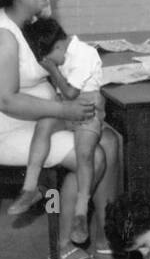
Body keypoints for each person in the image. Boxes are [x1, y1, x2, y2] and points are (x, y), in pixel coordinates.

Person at [0, 0, 119, 259]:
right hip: (5, 131)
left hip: (37, 122)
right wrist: (64, 107)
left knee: (109, 140)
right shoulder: (0, 35)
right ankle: (64, 246)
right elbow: (6, 101)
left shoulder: (27, 24)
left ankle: (104, 235)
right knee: (90, 156)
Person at [15, 19, 104, 247]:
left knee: (85, 153)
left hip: (86, 107)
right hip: (65, 105)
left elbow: (72, 92)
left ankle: (81, 212)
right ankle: (30, 187)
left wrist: (52, 69)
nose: (47, 63)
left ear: (58, 47)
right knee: (43, 125)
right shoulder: (61, 53)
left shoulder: (85, 54)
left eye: (48, 58)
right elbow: (63, 96)